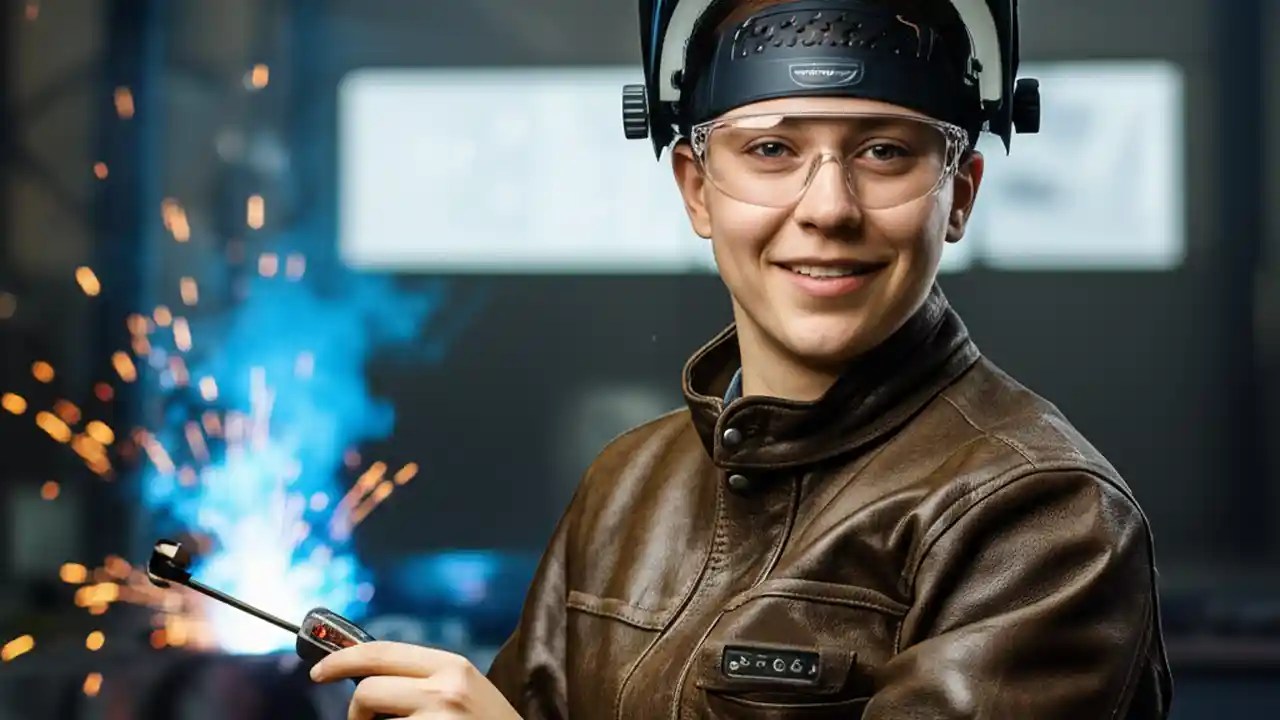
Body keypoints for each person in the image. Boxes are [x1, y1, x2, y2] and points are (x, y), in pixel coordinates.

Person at [309, 0, 1174, 717]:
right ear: (696, 188)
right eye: (771, 149)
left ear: (960, 195)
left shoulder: (1043, 519)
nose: (828, 207)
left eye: (884, 151)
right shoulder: (627, 488)